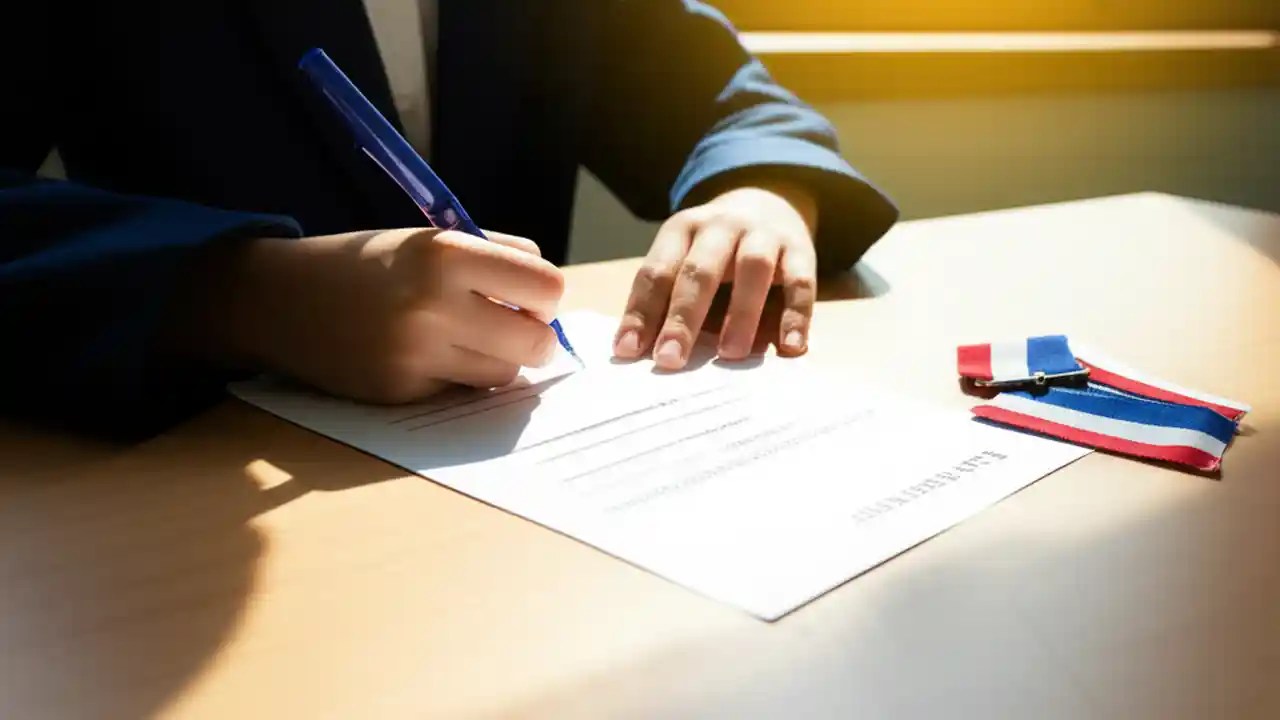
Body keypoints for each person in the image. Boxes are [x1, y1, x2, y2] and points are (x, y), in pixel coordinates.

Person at [0, 1, 897, 440]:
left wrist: (762, 188)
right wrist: (235, 294)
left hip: (518, 508)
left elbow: (727, 102)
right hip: (177, 485)